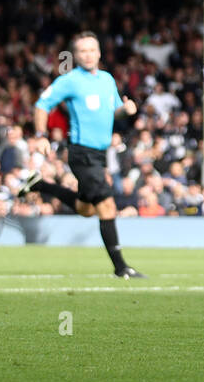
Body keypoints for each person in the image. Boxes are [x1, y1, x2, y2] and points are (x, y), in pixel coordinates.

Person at [19, 31, 145, 279]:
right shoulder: (69, 81)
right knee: (106, 205)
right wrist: (41, 135)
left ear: (99, 53)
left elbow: (114, 112)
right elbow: (41, 105)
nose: (87, 55)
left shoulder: (107, 79)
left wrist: (126, 109)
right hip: (81, 152)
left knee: (86, 209)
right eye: (82, 51)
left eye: (91, 50)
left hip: (99, 153)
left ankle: (41, 184)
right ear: (75, 56)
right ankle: (121, 268)